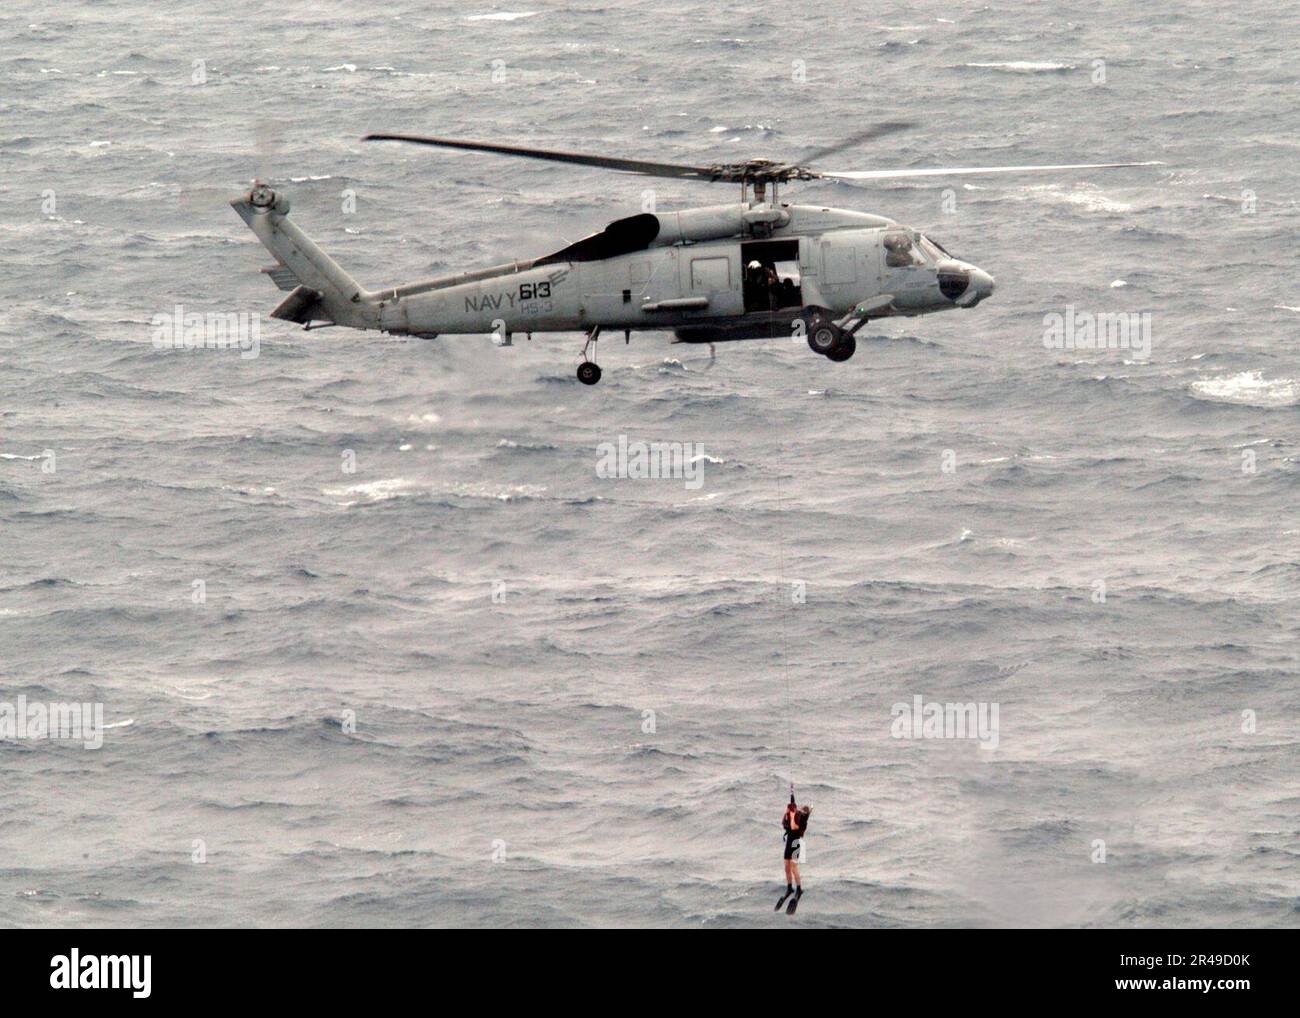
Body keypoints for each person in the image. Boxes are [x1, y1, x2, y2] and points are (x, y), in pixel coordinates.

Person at [782, 794, 812, 899]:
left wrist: (792, 815)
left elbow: (793, 827)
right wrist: (788, 812)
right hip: (789, 843)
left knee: (794, 868)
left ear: (806, 814)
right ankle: (789, 887)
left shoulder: (803, 822)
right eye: (800, 811)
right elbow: (785, 824)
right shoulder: (796, 815)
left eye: (804, 812)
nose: (801, 813)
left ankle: (799, 889)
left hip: (797, 844)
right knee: (786, 867)